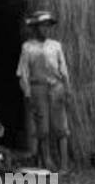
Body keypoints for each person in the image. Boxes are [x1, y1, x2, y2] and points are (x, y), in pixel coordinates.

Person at [17, 10, 70, 172]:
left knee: (61, 127)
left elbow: (63, 68)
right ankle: (46, 161)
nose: (44, 29)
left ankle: (64, 164)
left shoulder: (55, 46)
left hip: (56, 87)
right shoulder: (28, 47)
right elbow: (23, 72)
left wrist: (67, 88)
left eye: (46, 26)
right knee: (43, 127)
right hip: (37, 88)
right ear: (34, 28)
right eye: (40, 26)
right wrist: (27, 92)